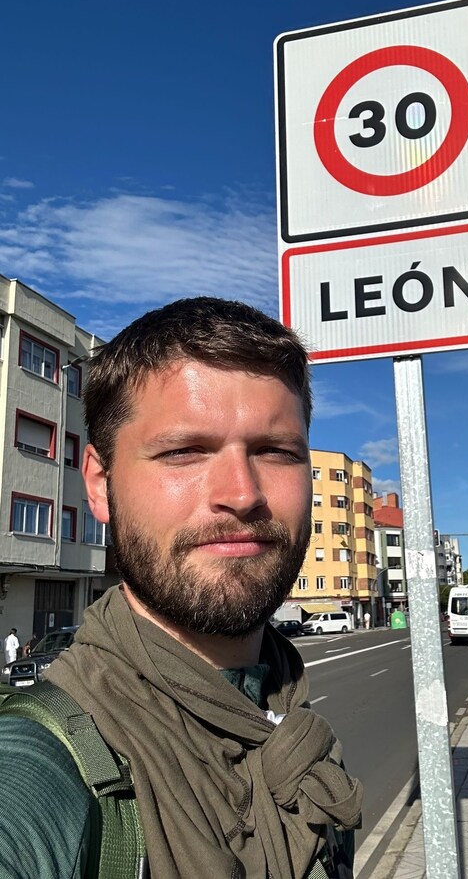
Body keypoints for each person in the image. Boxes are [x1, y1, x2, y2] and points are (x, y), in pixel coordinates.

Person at [0, 297, 362, 879]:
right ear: (100, 483)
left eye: (275, 451)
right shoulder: (43, 770)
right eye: (184, 452)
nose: (242, 494)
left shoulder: (293, 729)